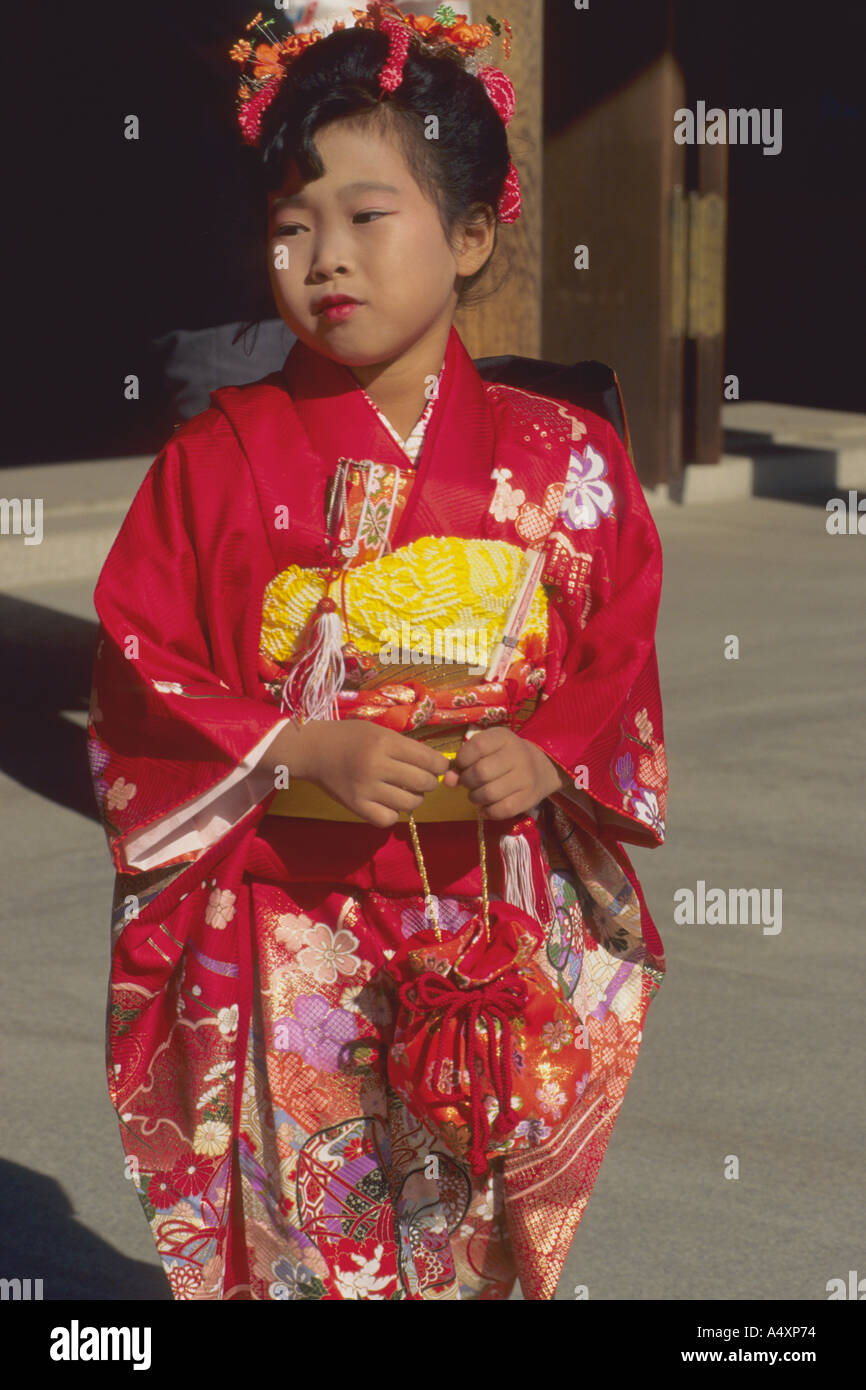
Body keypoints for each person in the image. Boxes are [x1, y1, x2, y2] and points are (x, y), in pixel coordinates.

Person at [88, 1, 668, 1301]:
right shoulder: (216, 459)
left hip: (490, 907)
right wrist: (300, 741)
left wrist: (551, 744)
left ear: (468, 237)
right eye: (292, 225)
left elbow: (617, 624)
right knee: (314, 1219)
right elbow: (141, 657)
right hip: (293, 912)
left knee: (478, 1206)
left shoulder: (564, 458)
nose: (322, 257)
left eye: (365, 215)